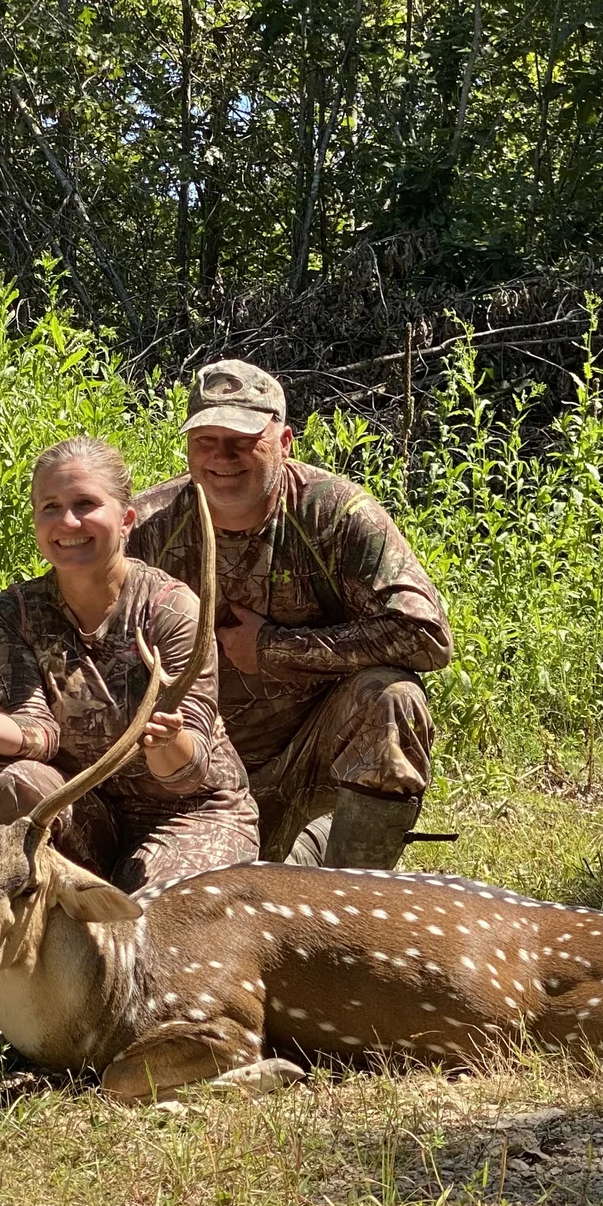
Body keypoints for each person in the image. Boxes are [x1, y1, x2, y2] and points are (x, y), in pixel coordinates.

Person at [131, 358, 451, 870]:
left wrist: (273, 648)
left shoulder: (334, 513)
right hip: (186, 763)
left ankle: (351, 906)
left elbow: (426, 634)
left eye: (241, 439)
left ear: (284, 442)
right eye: (205, 440)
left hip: (307, 752)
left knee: (394, 699)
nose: (222, 457)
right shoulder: (146, 527)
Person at [0, 436, 258, 893]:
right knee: (7, 784)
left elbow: (189, 770)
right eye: (50, 506)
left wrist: (164, 741)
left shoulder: (171, 609)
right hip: (88, 807)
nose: (67, 521)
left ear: (127, 519)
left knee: (145, 914)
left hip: (190, 810)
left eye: (85, 504)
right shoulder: (14, 613)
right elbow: (38, 734)